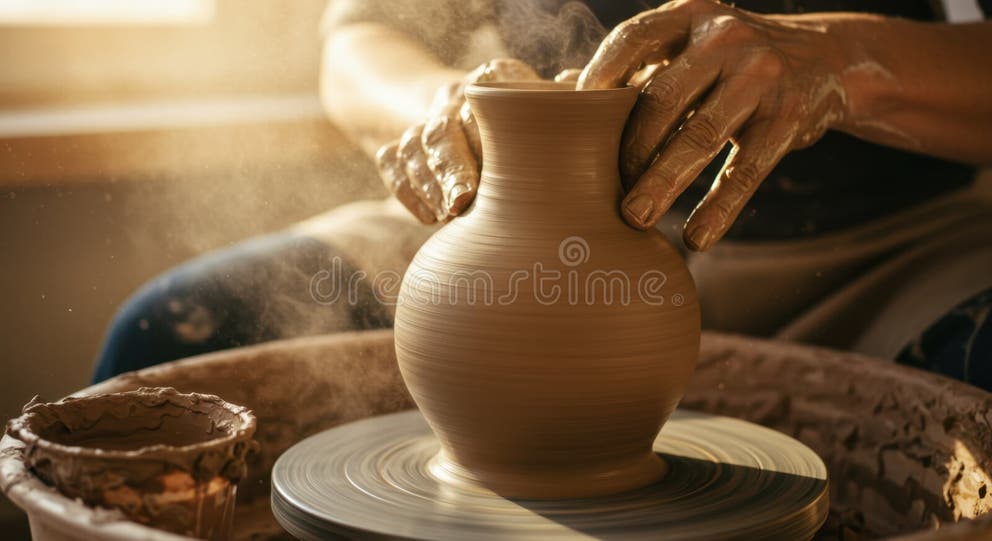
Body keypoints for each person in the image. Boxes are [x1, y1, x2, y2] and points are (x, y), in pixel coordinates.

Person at [93, 0, 992, 390]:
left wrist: (844, 60)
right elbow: (359, 44)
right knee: (174, 331)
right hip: (519, 227)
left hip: (882, 249)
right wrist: (443, 105)